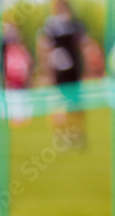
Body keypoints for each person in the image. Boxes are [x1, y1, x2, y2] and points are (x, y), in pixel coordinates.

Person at [38, 0, 90, 145]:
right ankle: (59, 135)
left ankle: (77, 133)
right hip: (58, 72)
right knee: (58, 103)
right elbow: (44, 47)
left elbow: (83, 45)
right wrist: (47, 71)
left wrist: (86, 68)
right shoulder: (51, 26)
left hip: (73, 70)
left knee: (76, 104)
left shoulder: (74, 24)